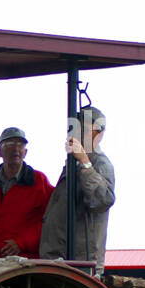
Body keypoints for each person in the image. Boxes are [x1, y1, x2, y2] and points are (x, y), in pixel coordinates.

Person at [39, 106, 115, 270]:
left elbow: (102, 200)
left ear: (98, 133)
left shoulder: (99, 163)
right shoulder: (72, 165)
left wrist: (85, 163)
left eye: (86, 129)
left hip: (81, 262)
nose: (80, 134)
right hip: (60, 259)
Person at [0, 127, 54, 258]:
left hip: (26, 262)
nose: (15, 149)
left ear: (25, 152)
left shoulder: (39, 181)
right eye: (9, 144)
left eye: (20, 144)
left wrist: (22, 242)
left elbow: (52, 221)